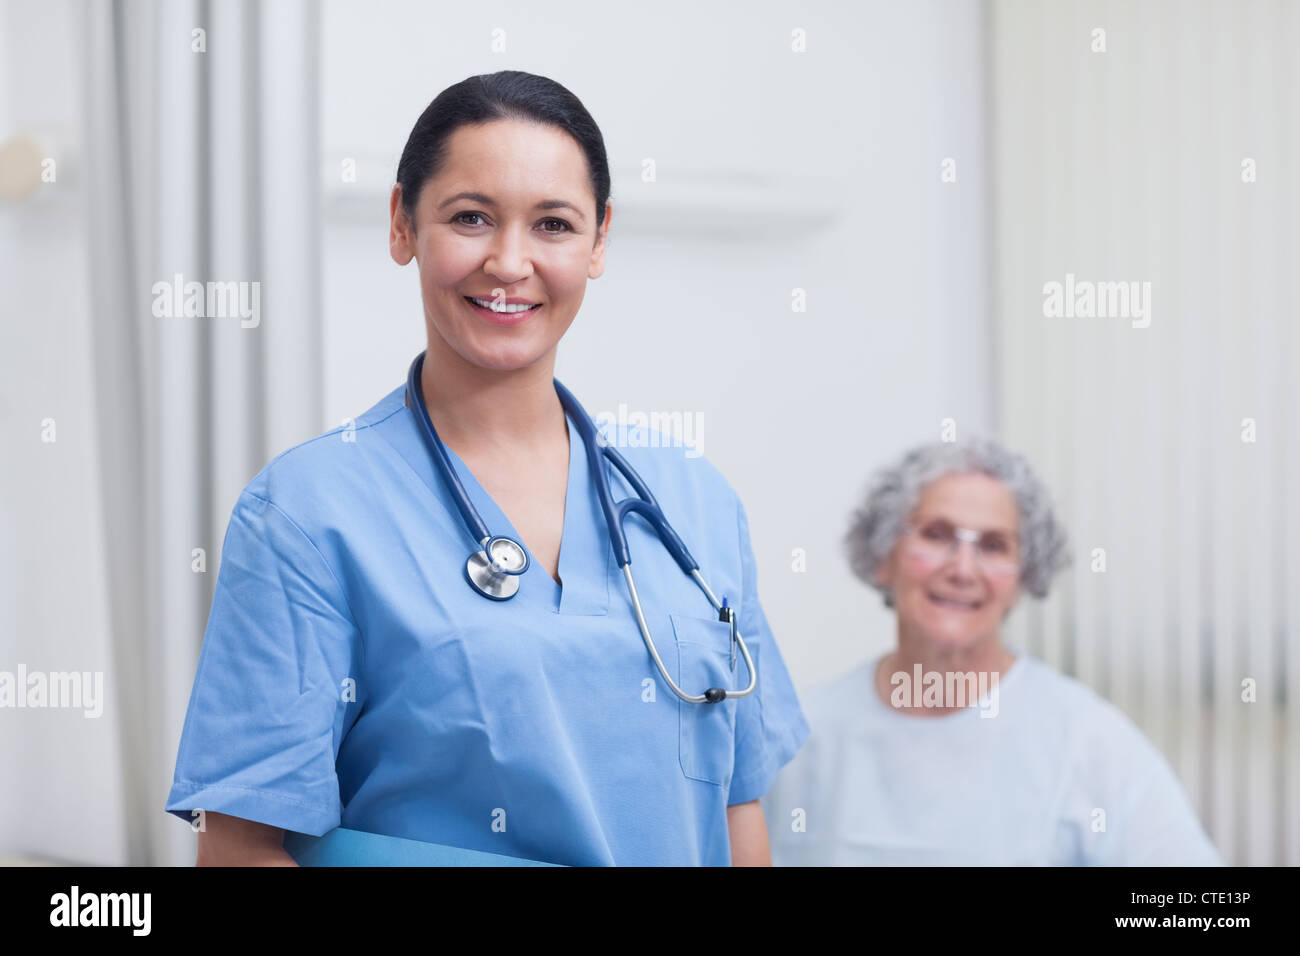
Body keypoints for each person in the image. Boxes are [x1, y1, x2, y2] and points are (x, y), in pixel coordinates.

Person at [164, 71, 808, 866]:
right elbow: (239, 846)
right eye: (470, 217)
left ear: (599, 239)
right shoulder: (308, 512)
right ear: (402, 225)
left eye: (554, 224)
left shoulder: (691, 499)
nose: (509, 262)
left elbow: (737, 806)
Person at [762, 438, 1222, 865]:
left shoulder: (1088, 744)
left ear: (1025, 577)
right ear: (883, 555)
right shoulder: (801, 739)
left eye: (993, 545)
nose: (963, 569)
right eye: (937, 535)